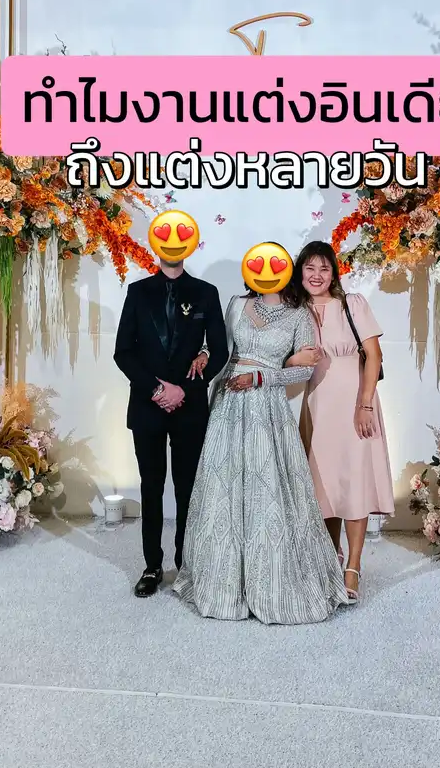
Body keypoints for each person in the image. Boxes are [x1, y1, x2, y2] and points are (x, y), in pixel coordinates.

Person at [172, 266, 349, 624]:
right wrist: (205, 354)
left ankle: (272, 582)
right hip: (228, 404)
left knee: (267, 486)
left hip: (267, 407)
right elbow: (219, 346)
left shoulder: (299, 314)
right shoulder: (237, 304)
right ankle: (224, 583)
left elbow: (304, 370)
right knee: (223, 488)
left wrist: (260, 377)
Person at [114, 256, 229, 598]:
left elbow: (220, 351)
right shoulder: (137, 291)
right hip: (146, 407)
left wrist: (185, 389)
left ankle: (185, 563)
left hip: (189, 407)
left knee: (187, 489)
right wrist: (157, 390)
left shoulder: (206, 292)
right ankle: (152, 566)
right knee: (151, 487)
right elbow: (123, 352)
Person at [285, 241, 394, 603]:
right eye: (309, 268)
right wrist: (293, 359)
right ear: (300, 273)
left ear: (333, 273)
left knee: (355, 484)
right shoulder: (294, 312)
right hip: (317, 405)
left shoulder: (352, 304)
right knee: (326, 487)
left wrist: (365, 404)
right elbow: (283, 359)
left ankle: (354, 567)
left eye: (324, 268)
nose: (316, 276)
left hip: (355, 403)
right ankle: (331, 558)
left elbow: (374, 355)